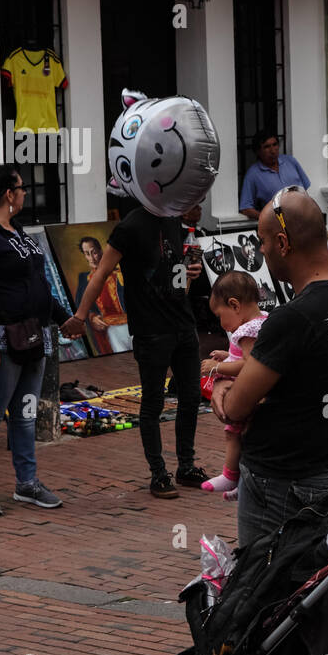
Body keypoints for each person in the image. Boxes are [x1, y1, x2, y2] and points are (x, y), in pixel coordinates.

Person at [214, 187, 328, 547]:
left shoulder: (291, 318)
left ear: (283, 242)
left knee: (263, 586)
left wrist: (222, 388)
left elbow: (236, 407)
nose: (261, 250)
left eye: (263, 241)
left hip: (281, 482)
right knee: (307, 586)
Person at [0, 166, 85, 517]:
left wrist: (62, 318)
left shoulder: (17, 231)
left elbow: (36, 284)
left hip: (34, 336)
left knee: (25, 414)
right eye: (20, 188)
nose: (25, 192)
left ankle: (27, 482)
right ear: (7, 195)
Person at [73, 202, 208, 499]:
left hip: (183, 324)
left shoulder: (173, 219)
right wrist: (81, 316)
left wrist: (189, 275)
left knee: (191, 396)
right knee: (153, 401)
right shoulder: (130, 226)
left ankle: (186, 466)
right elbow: (101, 273)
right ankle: (158, 473)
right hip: (151, 329)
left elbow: (177, 283)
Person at [199, 271, 268, 500]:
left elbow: (249, 364)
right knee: (247, 437)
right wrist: (226, 354)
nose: (221, 324)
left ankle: (230, 475)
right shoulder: (263, 320)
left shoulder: (247, 331)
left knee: (233, 434)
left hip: (246, 393)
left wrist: (216, 368)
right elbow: (242, 356)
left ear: (235, 305)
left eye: (220, 315)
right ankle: (242, 483)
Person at [74, 236, 130, 354]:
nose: (92, 258)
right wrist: (92, 317)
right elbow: (80, 306)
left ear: (100, 251)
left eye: (94, 252)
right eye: (87, 254)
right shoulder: (85, 279)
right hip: (111, 330)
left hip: (134, 325)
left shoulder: (120, 272)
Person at [238, 132, 310, 221]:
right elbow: (245, 208)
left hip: (303, 219)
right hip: (279, 225)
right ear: (258, 152)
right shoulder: (253, 174)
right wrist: (268, 219)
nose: (272, 151)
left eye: (275, 145)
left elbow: (305, 190)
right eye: (266, 147)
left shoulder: (291, 161)